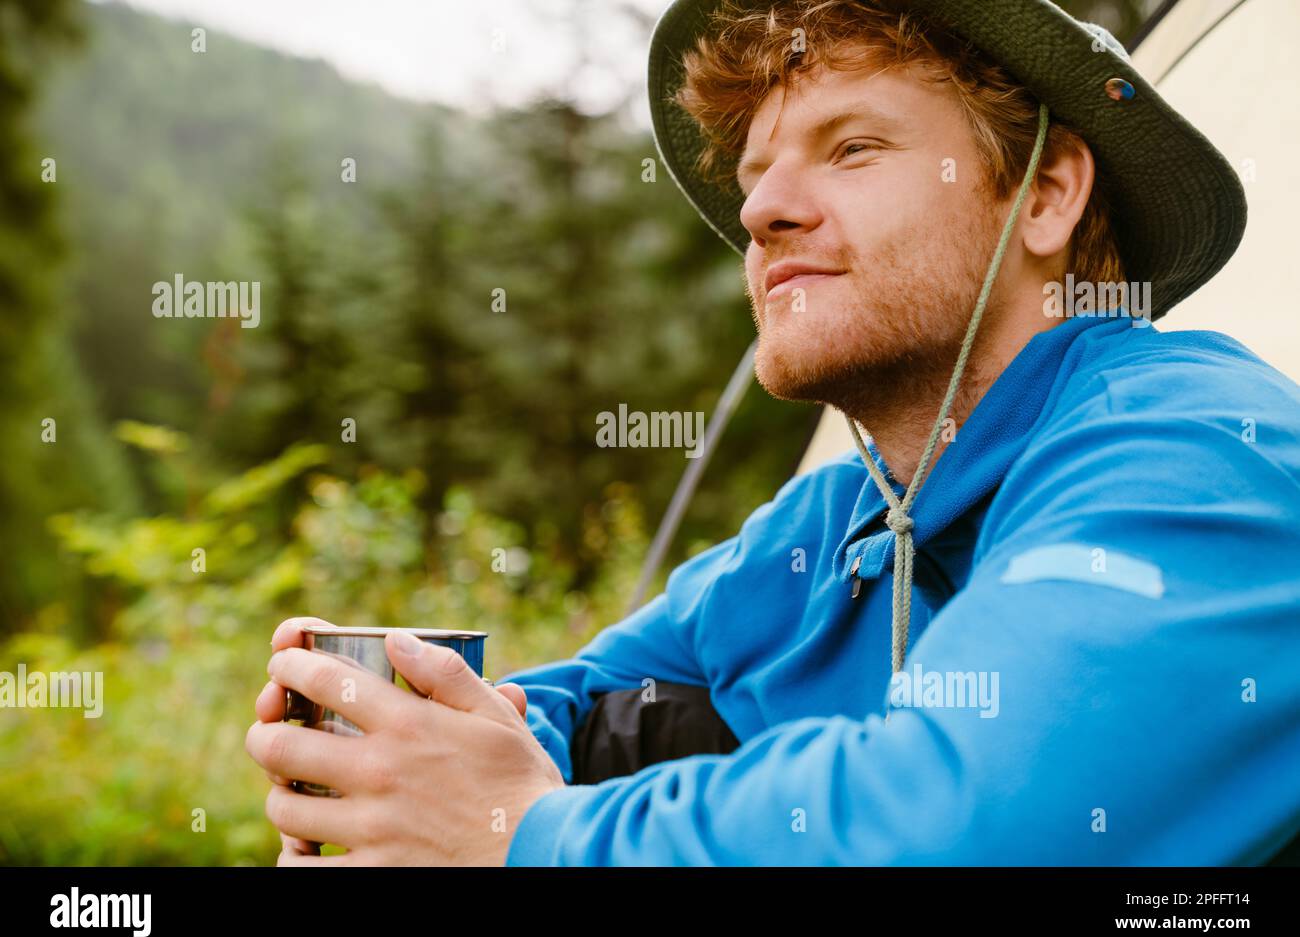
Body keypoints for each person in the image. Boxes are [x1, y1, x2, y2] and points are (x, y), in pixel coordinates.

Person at [246, 0, 1300, 865]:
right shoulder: (828, 524)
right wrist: (403, 769)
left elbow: (965, 826)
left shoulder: (1200, 451)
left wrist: (523, 835)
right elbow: (570, 713)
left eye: (850, 148)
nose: (761, 214)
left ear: (1048, 194)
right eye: (755, 179)